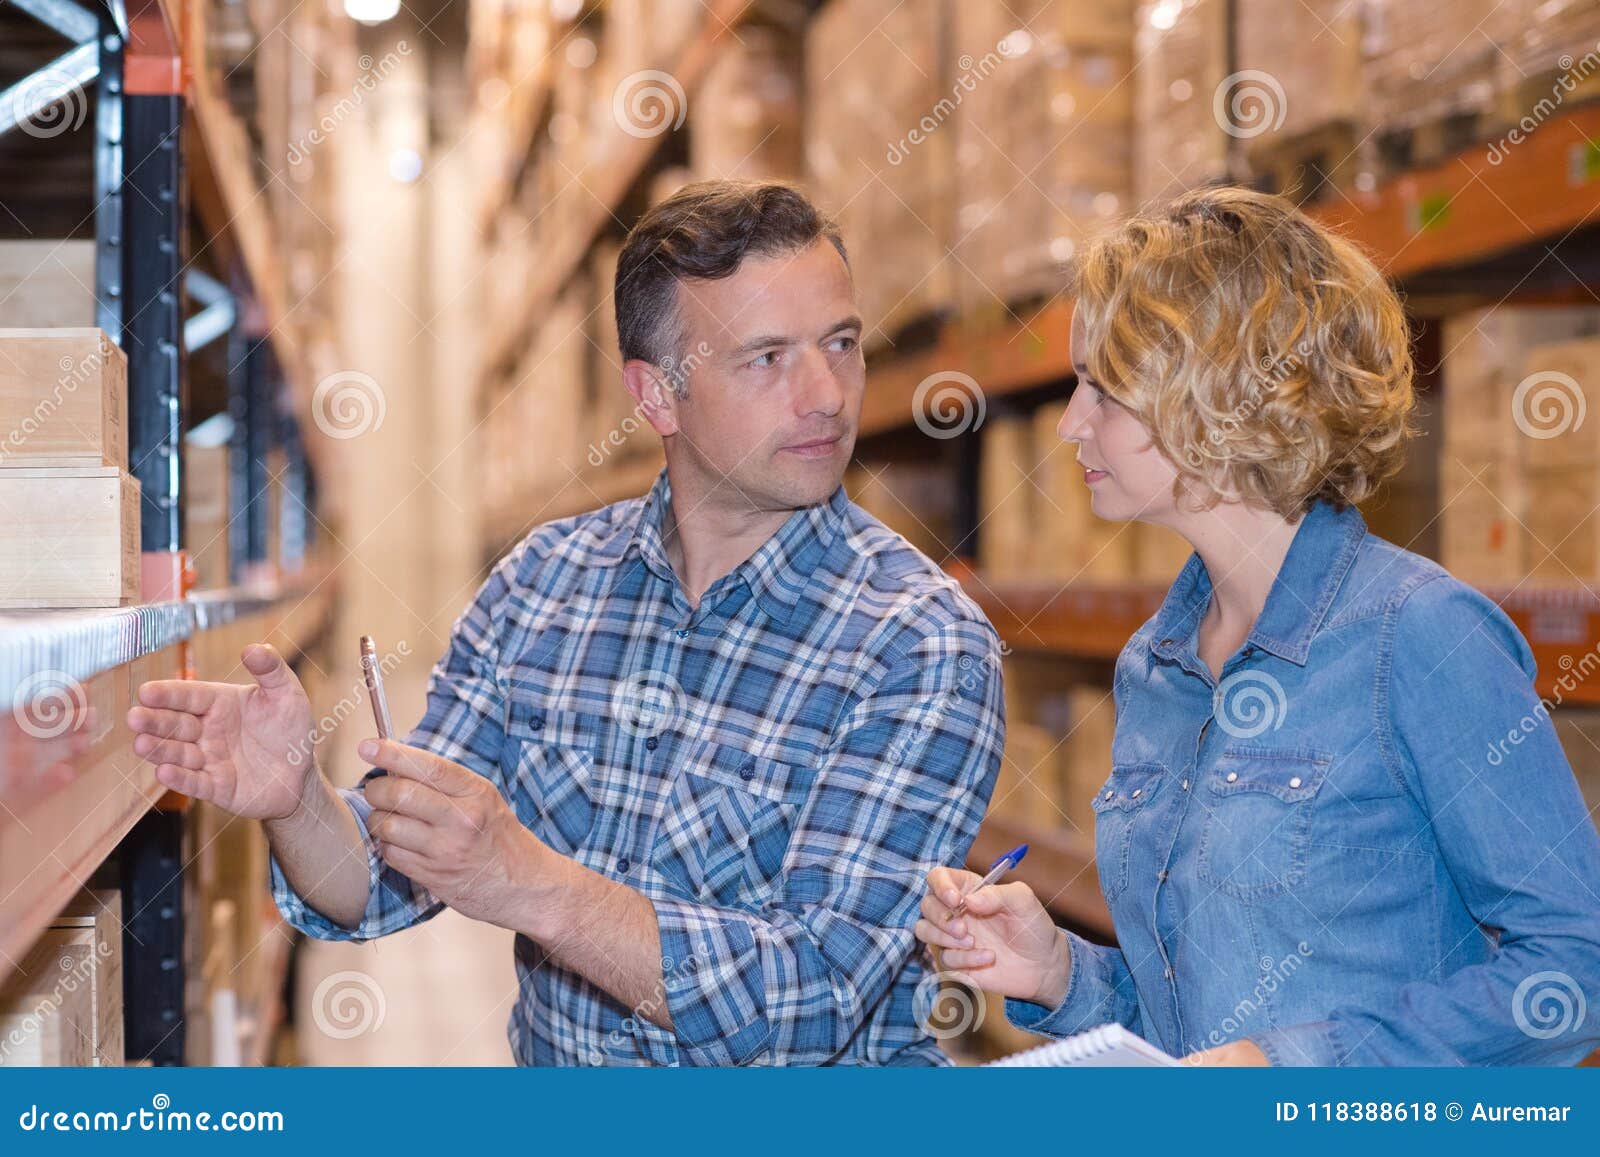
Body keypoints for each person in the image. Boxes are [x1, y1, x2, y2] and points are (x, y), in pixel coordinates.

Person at [128, 180, 1005, 1065]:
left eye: (841, 343)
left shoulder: (921, 643)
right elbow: (383, 880)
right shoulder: (544, 587)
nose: (825, 393)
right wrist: (295, 799)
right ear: (656, 396)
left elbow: (812, 1002)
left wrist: (530, 883)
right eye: (767, 358)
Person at [917, 184, 1600, 1066]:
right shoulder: (1156, 667)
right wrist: (1058, 973)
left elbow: (1574, 970)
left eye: (1102, 389)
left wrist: (1290, 1066)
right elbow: (1199, 1028)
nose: (1073, 424)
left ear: (1224, 391)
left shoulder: (1419, 636)